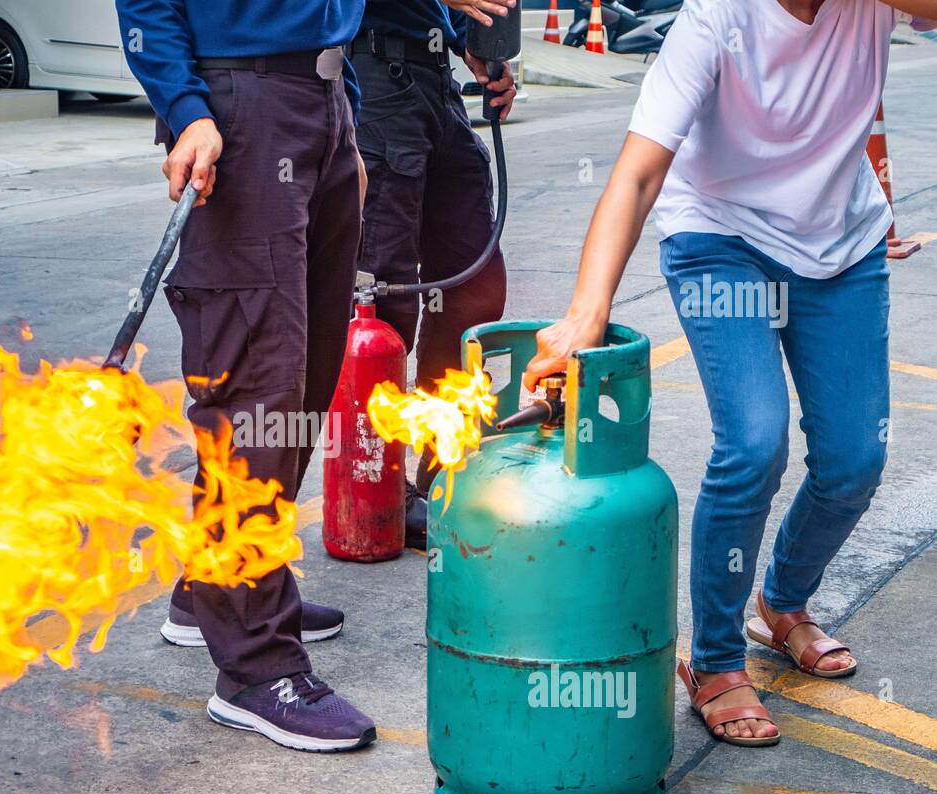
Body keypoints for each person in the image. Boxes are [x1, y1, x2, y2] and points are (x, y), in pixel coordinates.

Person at [525, 0, 937, 746]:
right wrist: (588, 310)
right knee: (753, 441)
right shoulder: (715, 18)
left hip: (841, 247)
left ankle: (780, 604)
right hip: (722, 240)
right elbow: (640, 174)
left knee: (855, 460)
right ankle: (714, 659)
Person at [114, 0, 378, 752]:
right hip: (242, 110)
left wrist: (342, 118)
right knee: (257, 397)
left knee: (306, 379)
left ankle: (213, 593)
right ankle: (255, 669)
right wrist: (186, 107)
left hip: (321, 104)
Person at [350, 0, 516, 547]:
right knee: (387, 296)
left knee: (474, 283)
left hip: (434, 76)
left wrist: (478, 46)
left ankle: (442, 464)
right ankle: (381, 485)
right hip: (372, 74)